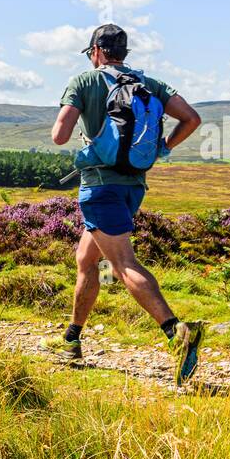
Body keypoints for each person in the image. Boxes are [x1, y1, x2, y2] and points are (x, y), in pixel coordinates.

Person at [45, 24, 205, 385]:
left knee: (122, 263)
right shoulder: (151, 84)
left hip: (100, 186)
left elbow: (59, 136)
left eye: (90, 54)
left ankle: (177, 333)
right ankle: (72, 339)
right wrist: (164, 147)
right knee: (86, 259)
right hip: (133, 186)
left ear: (97, 51)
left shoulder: (84, 82)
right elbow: (192, 118)